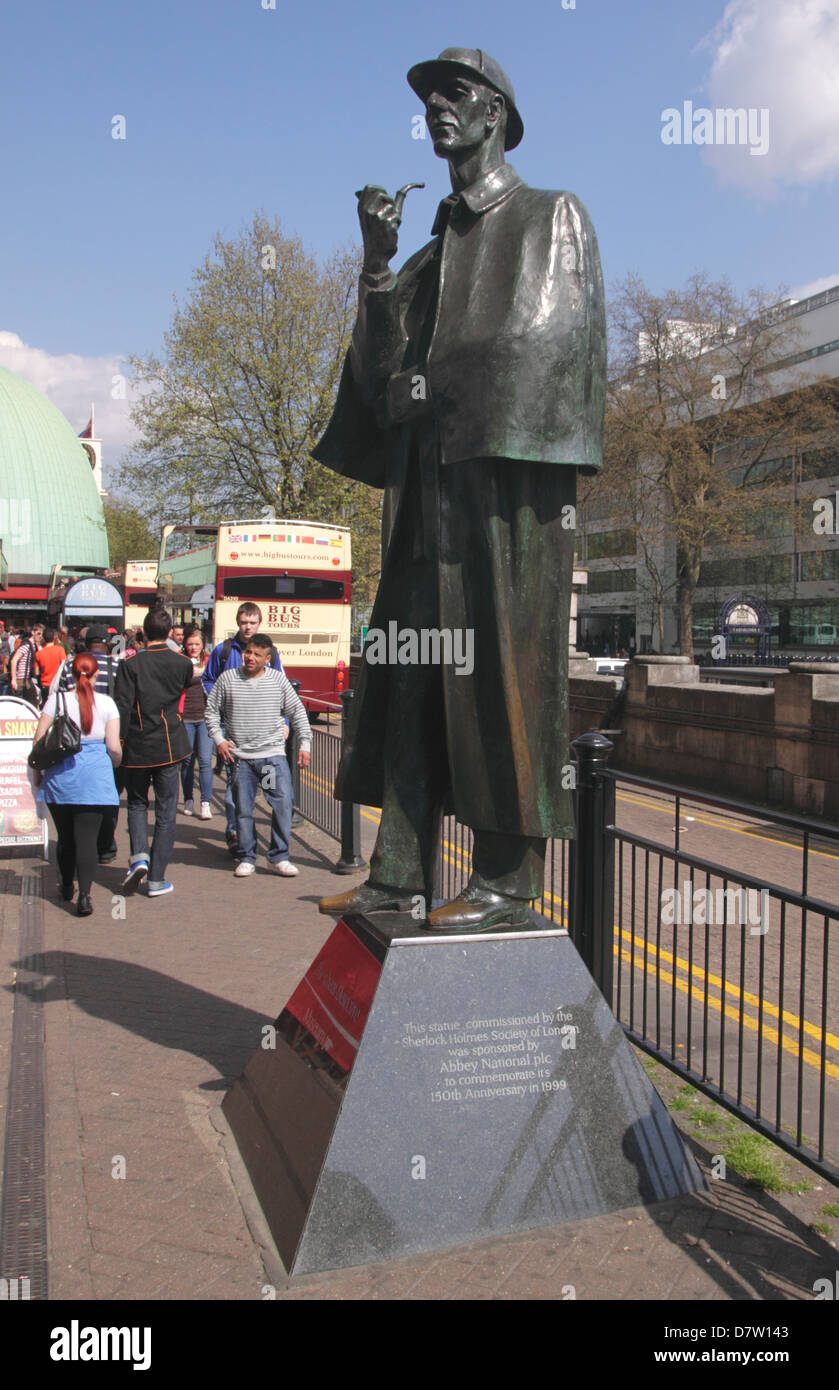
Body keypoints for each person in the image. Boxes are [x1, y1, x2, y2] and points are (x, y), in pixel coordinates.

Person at [314, 48, 605, 932]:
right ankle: (395, 872)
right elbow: (374, 378)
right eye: (430, 97)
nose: (439, 107)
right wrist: (374, 266)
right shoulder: (429, 254)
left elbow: (545, 347)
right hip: (422, 492)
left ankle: (508, 881)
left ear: (496, 114)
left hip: (503, 491)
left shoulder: (551, 217)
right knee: (406, 676)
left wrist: (430, 384)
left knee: (498, 678)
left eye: (456, 93)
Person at [205, 634, 310, 877]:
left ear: (267, 658)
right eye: (248, 652)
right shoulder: (228, 679)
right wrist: (219, 740)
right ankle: (247, 856)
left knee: (282, 803)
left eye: (256, 654)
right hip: (242, 760)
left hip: (270, 758)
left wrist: (305, 744)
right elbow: (211, 711)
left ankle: (279, 856)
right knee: (243, 809)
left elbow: (297, 713)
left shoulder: (278, 681)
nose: (250, 657)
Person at [32, 653, 121, 916]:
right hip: (94, 779)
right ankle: (84, 896)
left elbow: (39, 741)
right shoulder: (107, 704)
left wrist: (38, 773)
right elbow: (114, 748)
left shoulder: (56, 701)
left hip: (61, 777)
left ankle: (66, 885)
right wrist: (114, 764)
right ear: (96, 675)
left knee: (65, 838)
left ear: (71, 674)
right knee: (87, 840)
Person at [114, 608, 193, 897]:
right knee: (165, 812)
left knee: (136, 804)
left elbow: (122, 706)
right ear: (171, 632)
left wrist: (119, 742)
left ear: (143, 633)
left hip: (137, 745)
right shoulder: (182, 664)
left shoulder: (130, 665)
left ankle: (139, 857)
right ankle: (157, 879)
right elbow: (181, 691)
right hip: (169, 745)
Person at [202, 603, 282, 856]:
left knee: (268, 788)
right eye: (244, 622)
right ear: (238, 622)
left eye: (252, 622)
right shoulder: (223, 651)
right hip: (231, 732)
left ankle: (254, 837)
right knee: (233, 788)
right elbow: (207, 679)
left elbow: (280, 687)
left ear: (259, 623)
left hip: (262, 735)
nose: (247, 627)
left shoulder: (271, 653)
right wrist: (220, 701)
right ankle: (236, 833)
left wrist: (285, 723)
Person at [180, 629, 214, 818]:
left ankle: (206, 802)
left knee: (205, 760)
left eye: (197, 644)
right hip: (185, 717)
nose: (193, 647)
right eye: (190, 644)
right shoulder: (180, 661)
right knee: (186, 761)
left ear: (203, 645)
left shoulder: (209, 661)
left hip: (205, 717)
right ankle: (188, 799)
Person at [10, 626, 43, 707]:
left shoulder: (33, 646)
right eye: (38, 633)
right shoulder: (26, 645)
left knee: (32, 701)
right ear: (32, 632)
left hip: (27, 679)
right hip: (21, 679)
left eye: (41, 634)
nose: (40, 636)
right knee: (22, 703)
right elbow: (14, 660)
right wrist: (13, 679)